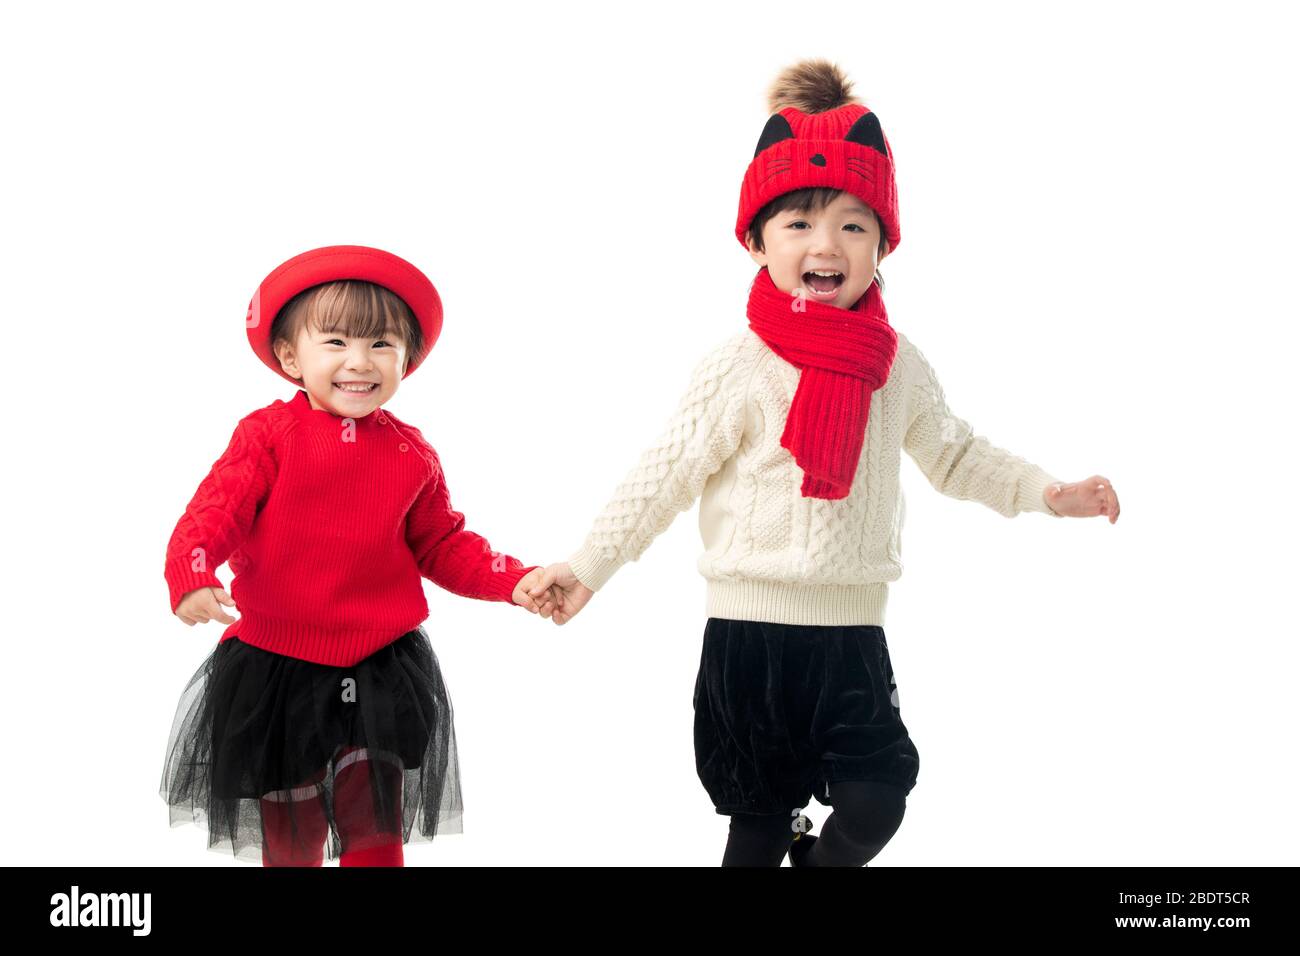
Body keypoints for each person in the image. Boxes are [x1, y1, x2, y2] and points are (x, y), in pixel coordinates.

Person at [528, 59, 1121, 867]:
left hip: (850, 635)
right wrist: (587, 567)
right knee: (757, 828)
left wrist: (1050, 493)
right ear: (756, 240)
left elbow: (955, 454)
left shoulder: (896, 363)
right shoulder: (739, 364)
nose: (827, 244)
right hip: (748, 637)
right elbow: (661, 476)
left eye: (852, 224)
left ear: (882, 244)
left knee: (879, 797)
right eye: (799, 223)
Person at [159, 245, 558, 866]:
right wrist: (192, 570)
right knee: (292, 836)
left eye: (381, 345)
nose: (359, 362)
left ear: (406, 359)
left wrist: (515, 579)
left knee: (374, 828)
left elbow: (444, 542)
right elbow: (217, 509)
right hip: (276, 670)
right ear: (290, 357)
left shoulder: (410, 454)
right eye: (336, 342)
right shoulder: (269, 436)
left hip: (378, 670)